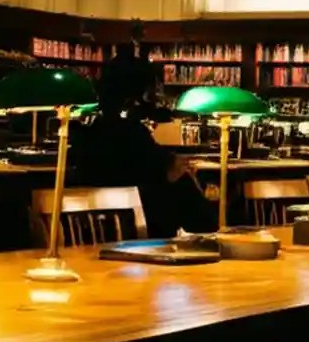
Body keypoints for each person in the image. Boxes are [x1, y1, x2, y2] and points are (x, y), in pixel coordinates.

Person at [70, 44, 215, 237]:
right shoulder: (134, 136)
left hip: (97, 233)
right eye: (150, 91)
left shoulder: (88, 136)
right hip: (146, 235)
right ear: (137, 96)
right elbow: (160, 176)